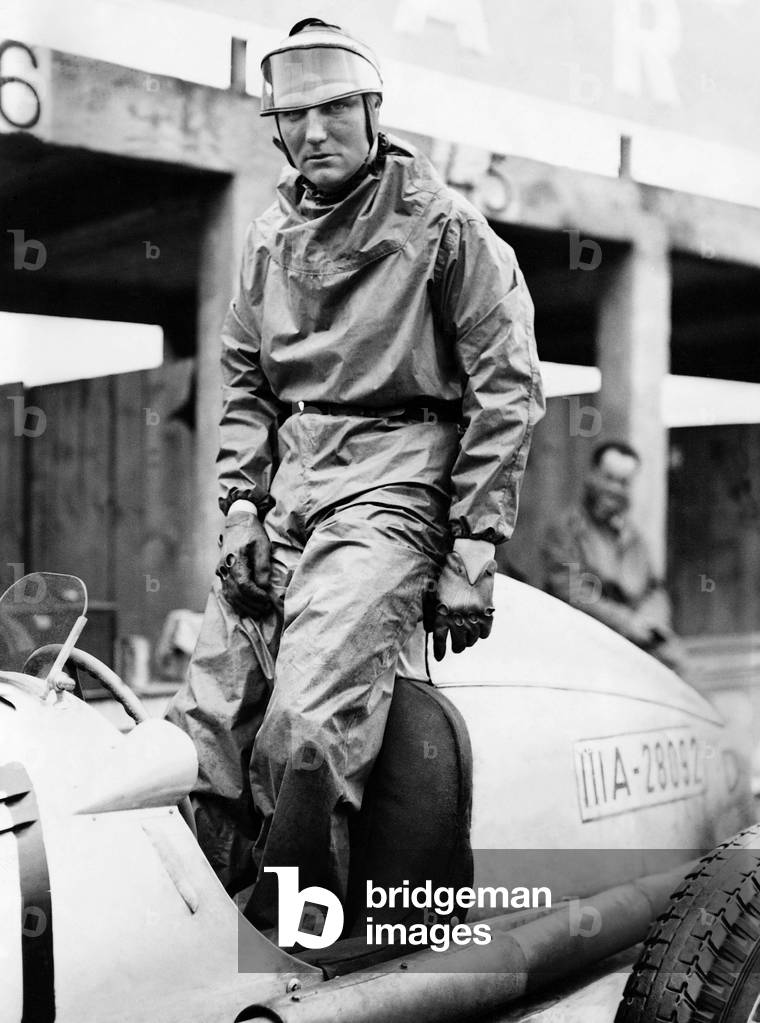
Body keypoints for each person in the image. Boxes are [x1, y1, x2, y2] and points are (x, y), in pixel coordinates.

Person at [167, 17, 544, 930]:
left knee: (306, 721)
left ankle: (292, 938)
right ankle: (188, 928)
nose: (315, 132)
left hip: (396, 484)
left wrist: (474, 546)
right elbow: (246, 380)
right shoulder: (267, 238)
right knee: (205, 718)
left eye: (335, 108)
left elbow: (508, 382)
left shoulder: (445, 228)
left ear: (373, 109)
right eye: (293, 115)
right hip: (291, 487)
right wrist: (241, 507)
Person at [541, 441, 685, 672]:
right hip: (587, 643)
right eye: (609, 478)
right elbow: (571, 592)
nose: (615, 489)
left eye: (624, 483)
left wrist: (651, 621)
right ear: (592, 476)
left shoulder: (633, 536)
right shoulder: (567, 530)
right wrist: (628, 623)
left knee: (680, 674)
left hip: (637, 641)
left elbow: (654, 588)